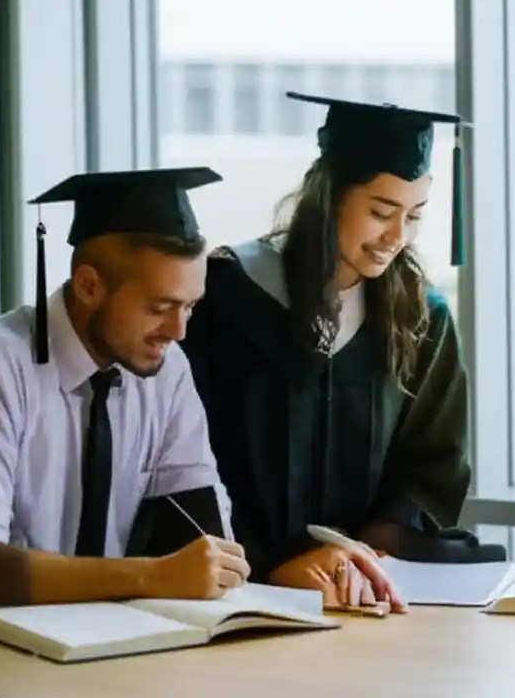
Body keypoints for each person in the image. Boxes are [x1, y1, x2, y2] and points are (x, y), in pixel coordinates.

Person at [180, 93, 475, 611]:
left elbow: (432, 466)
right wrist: (271, 563)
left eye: (415, 216)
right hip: (238, 594)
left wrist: (367, 552)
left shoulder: (419, 318)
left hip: (361, 594)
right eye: (381, 211)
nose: (396, 237)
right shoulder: (227, 296)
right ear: (330, 195)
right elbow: (187, 458)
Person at [0, 167, 249, 606]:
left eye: (190, 307)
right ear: (89, 286)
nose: (178, 330)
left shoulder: (167, 372)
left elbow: (198, 530)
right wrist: (148, 577)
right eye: (159, 307)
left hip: (115, 645)